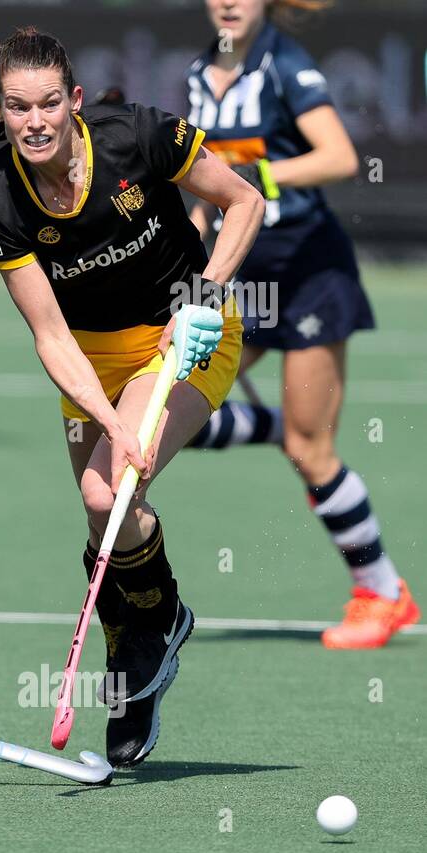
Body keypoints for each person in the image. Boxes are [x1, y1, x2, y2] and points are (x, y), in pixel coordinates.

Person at [0, 28, 264, 765]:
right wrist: (107, 421)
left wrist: (204, 299)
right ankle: (147, 642)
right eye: (19, 106)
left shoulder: (139, 137)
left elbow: (243, 203)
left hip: (180, 336)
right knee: (107, 534)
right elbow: (52, 337)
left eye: (50, 104)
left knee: (104, 495)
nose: (35, 121)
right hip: (89, 358)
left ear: (75, 102)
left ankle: (150, 631)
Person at [181, 0, 417, 648]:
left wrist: (255, 176)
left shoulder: (284, 64)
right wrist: (191, 276)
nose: (229, 2)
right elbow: (202, 191)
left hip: (310, 274)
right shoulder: (199, 74)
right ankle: (284, 424)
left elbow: (339, 157)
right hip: (243, 280)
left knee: (313, 453)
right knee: (173, 410)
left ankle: (383, 593)